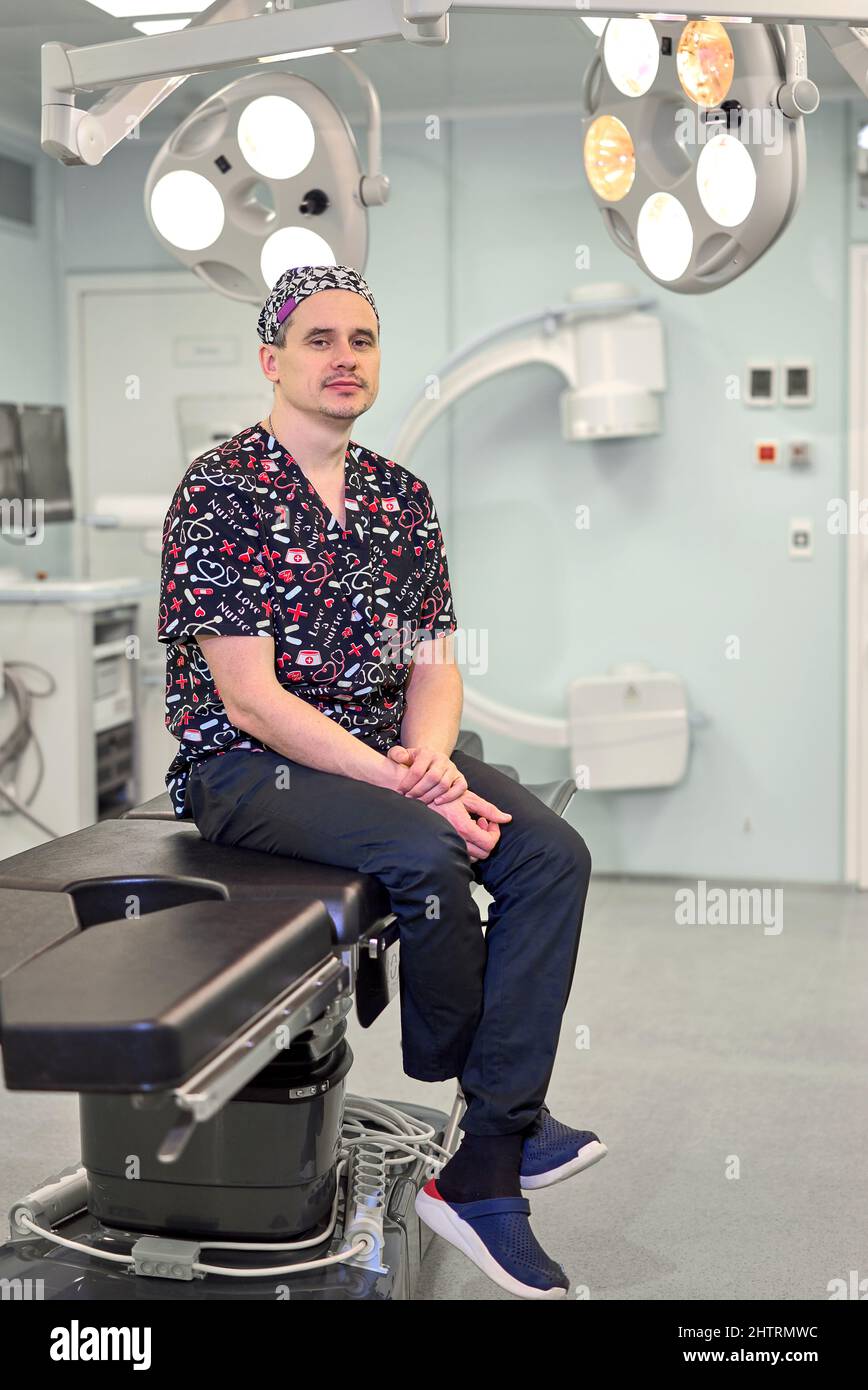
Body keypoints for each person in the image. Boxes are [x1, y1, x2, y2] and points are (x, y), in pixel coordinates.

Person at [157, 263, 603, 1300]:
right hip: (246, 768)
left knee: (551, 856)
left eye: (361, 339)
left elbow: (435, 660)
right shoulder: (221, 489)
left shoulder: (399, 499)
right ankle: (487, 1106)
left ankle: (488, 1154)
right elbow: (253, 701)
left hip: (385, 752)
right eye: (319, 339)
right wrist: (417, 793)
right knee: (426, 847)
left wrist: (436, 759)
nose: (344, 357)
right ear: (272, 359)